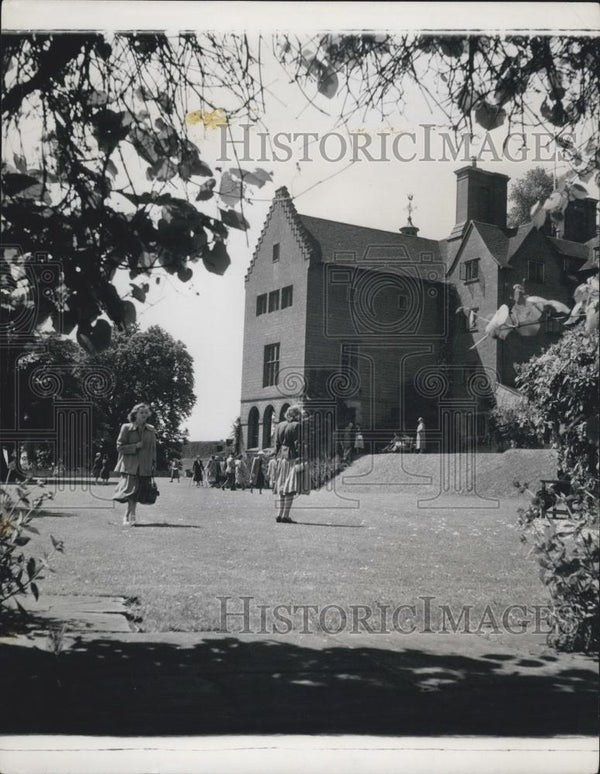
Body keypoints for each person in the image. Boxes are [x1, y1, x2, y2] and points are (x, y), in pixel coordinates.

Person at [112, 402, 157, 526]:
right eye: (141, 412)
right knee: (131, 492)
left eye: (145, 412)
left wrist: (154, 463)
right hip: (130, 466)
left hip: (145, 466)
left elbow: (153, 448)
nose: (144, 414)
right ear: (135, 414)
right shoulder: (126, 427)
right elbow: (119, 447)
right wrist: (134, 447)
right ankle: (130, 516)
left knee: (137, 492)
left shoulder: (151, 429)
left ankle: (128, 515)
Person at [273, 404, 310, 524]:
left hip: (281, 458)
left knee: (282, 487)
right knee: (290, 488)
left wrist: (276, 456)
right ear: (296, 415)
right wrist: (303, 457)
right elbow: (299, 443)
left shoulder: (280, 425)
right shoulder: (297, 425)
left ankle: (279, 514)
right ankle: (286, 515)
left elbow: (277, 444)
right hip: (292, 458)